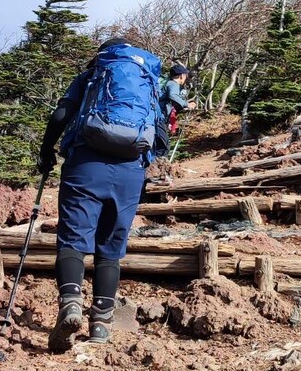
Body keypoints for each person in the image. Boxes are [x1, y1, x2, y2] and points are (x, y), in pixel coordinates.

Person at [38, 38, 168, 352]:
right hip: (129, 171)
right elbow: (161, 137)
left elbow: (60, 115)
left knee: (72, 240)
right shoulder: (149, 82)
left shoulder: (92, 76)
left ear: (102, 56)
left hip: (86, 164)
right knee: (110, 249)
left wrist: (46, 152)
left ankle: (70, 303)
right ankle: (100, 326)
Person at [160, 62, 192, 139]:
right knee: (162, 143)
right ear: (181, 76)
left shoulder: (167, 82)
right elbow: (172, 95)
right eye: (185, 75)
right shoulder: (173, 84)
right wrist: (187, 104)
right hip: (160, 115)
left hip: (157, 112)